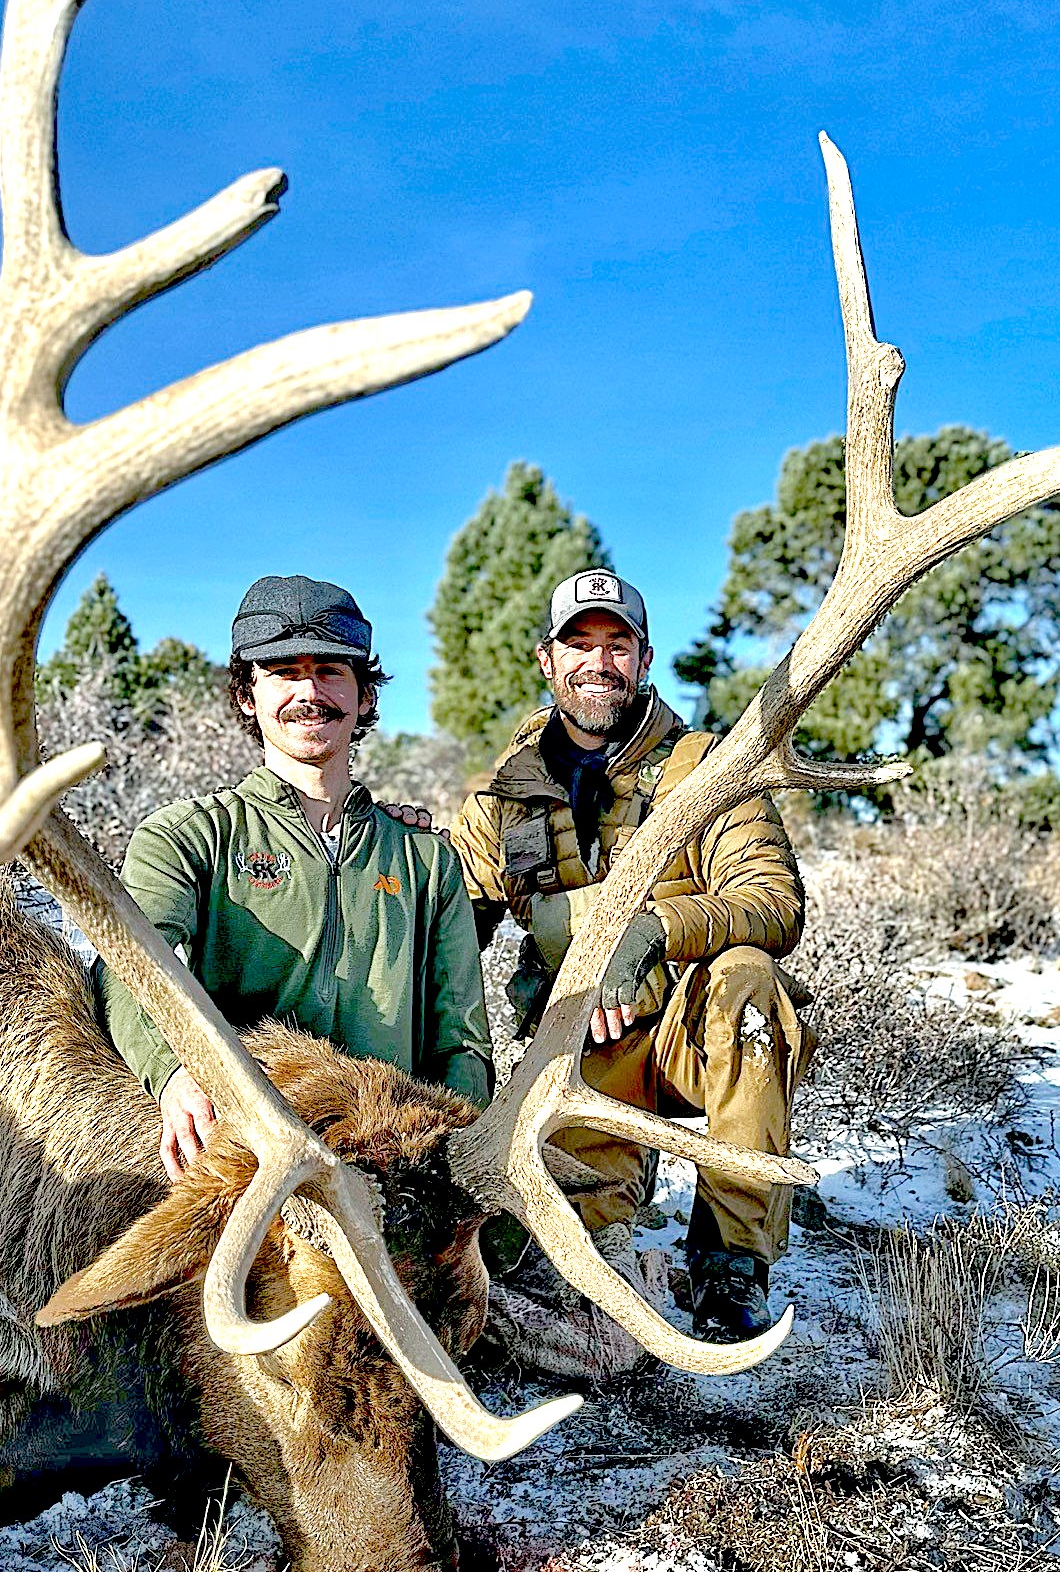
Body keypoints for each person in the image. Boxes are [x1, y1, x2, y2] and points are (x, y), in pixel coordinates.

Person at [449, 568, 813, 1347]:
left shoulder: (711, 768)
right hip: (583, 1049)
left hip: (695, 1036)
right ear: (547, 660)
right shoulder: (501, 799)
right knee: (563, 1268)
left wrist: (653, 930)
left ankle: (731, 1263)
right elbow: (449, 932)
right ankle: (603, 1223)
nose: (598, 662)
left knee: (750, 983)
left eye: (617, 645)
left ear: (644, 660)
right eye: (578, 644)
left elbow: (774, 901)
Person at [100, 575, 491, 1179]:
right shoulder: (186, 838)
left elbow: (460, 1040)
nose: (310, 691)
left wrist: (461, 1162)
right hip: (246, 1160)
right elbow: (127, 969)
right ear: (246, 696)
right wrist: (173, 1073)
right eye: (284, 671)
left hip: (392, 1176)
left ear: (365, 696)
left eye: (331, 670)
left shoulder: (425, 859)